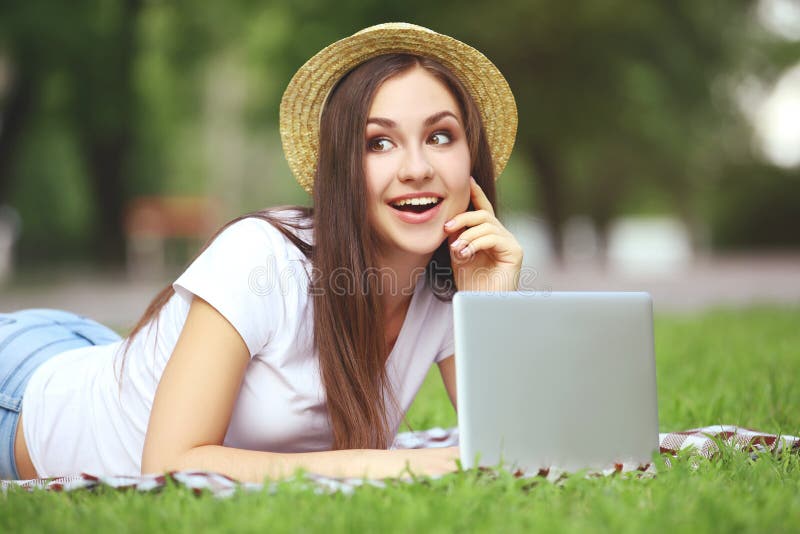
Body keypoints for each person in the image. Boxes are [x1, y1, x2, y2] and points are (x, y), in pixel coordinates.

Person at [0, 23, 522, 483]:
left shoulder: (448, 284)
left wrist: (489, 307)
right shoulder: (263, 257)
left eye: (440, 136)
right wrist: (383, 464)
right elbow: (169, 464)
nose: (417, 168)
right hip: (23, 393)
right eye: (378, 143)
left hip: (101, 355)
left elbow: (508, 450)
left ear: (470, 158)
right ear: (342, 168)